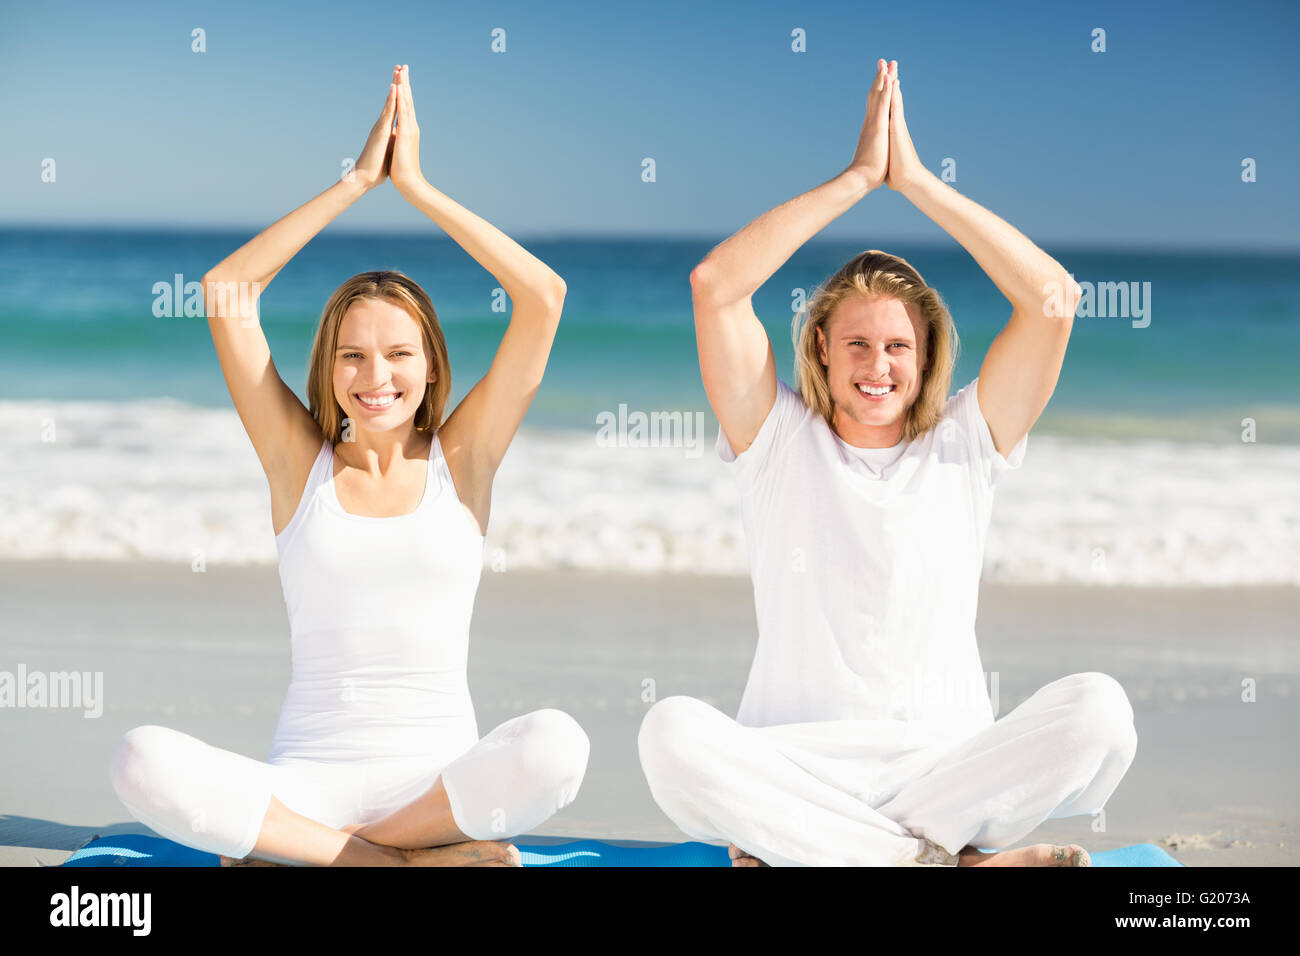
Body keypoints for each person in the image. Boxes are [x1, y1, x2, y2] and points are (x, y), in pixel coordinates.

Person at [637, 59, 1136, 867]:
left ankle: (843, 854)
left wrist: (919, 185)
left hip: (947, 768)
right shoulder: (776, 441)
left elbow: (1053, 300)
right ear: (822, 351)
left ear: (928, 354)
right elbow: (716, 286)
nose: (878, 364)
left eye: (898, 345)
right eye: (858, 343)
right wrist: (859, 178)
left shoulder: (967, 441)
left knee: (1102, 712)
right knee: (671, 734)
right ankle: (931, 861)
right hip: (796, 766)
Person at [109, 65, 588, 867]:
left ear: (431, 365)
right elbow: (227, 289)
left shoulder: (463, 461)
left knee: (557, 747)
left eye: (399, 354)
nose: (376, 377)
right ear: (328, 367)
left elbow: (542, 295)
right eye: (353, 356)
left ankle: (320, 855)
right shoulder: (298, 461)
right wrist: (358, 181)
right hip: (309, 783)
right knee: (137, 759)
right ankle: (384, 860)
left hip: (441, 788)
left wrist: (420, 189)